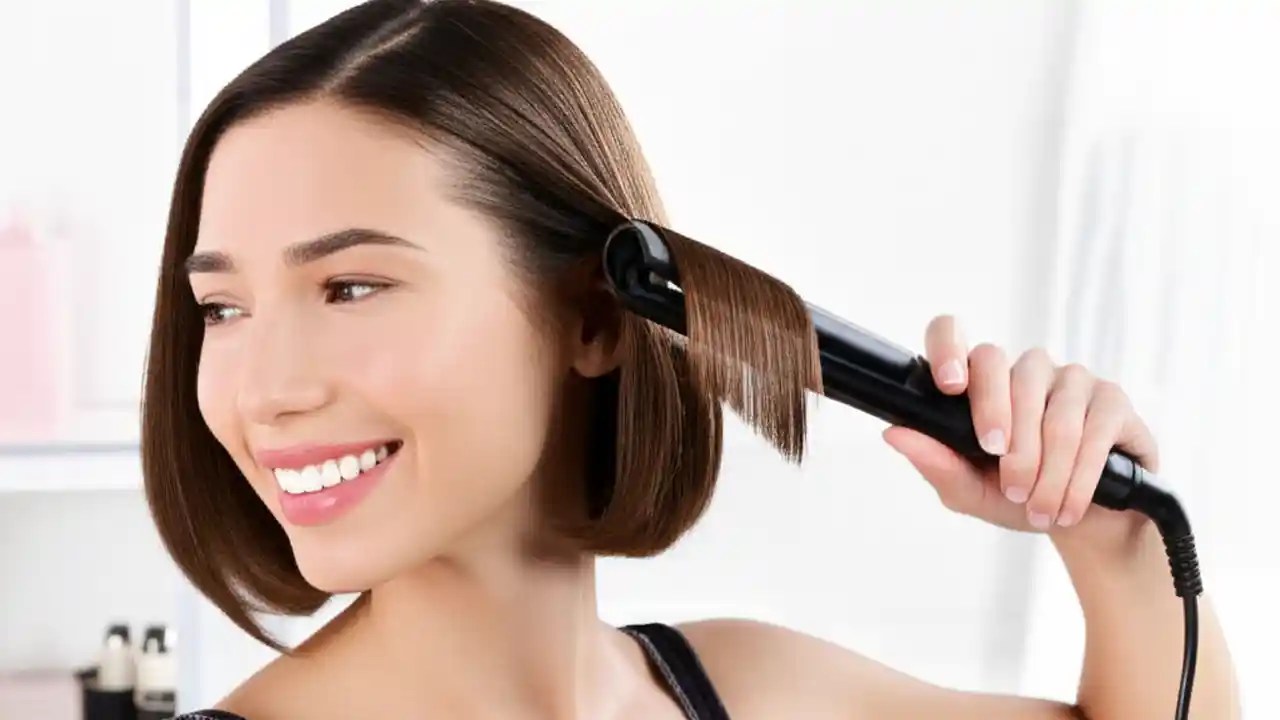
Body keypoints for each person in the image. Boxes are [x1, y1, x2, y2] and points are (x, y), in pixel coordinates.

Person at [141, 0, 1240, 717]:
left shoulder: (750, 692)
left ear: (593, 320)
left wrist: (1115, 542)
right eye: (223, 309)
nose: (267, 388)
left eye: (350, 287)